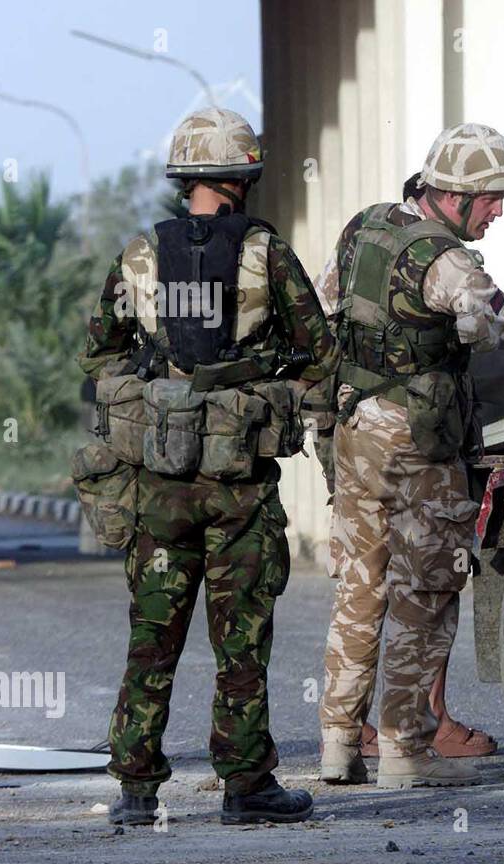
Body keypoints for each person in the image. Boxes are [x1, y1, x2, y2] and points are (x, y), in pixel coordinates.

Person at [78, 107, 338, 825]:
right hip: (240, 491)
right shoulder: (266, 254)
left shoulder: (139, 255)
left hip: (158, 487)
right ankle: (247, 787)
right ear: (241, 177)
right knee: (242, 642)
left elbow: (98, 356)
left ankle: (135, 792)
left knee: (151, 639)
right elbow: (320, 358)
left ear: (183, 177)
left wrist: (148, 397)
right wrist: (270, 399)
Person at [316, 123, 504, 788]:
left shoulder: (365, 227)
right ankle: (404, 753)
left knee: (359, 591)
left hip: (355, 434)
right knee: (425, 594)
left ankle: (337, 745)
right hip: (420, 445)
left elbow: (327, 304)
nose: (499, 211)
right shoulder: (449, 262)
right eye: (492, 199)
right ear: (453, 196)